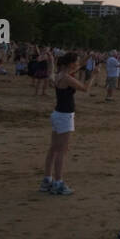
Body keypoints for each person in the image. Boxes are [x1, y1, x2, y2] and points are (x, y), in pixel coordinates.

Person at [42, 52, 91, 195]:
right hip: (64, 116)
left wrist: (86, 58)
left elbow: (77, 67)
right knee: (61, 151)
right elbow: (85, 88)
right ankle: (58, 182)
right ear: (70, 64)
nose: (77, 64)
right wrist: (93, 75)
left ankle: (47, 180)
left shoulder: (60, 75)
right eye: (75, 62)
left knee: (53, 149)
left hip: (58, 114)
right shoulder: (67, 78)